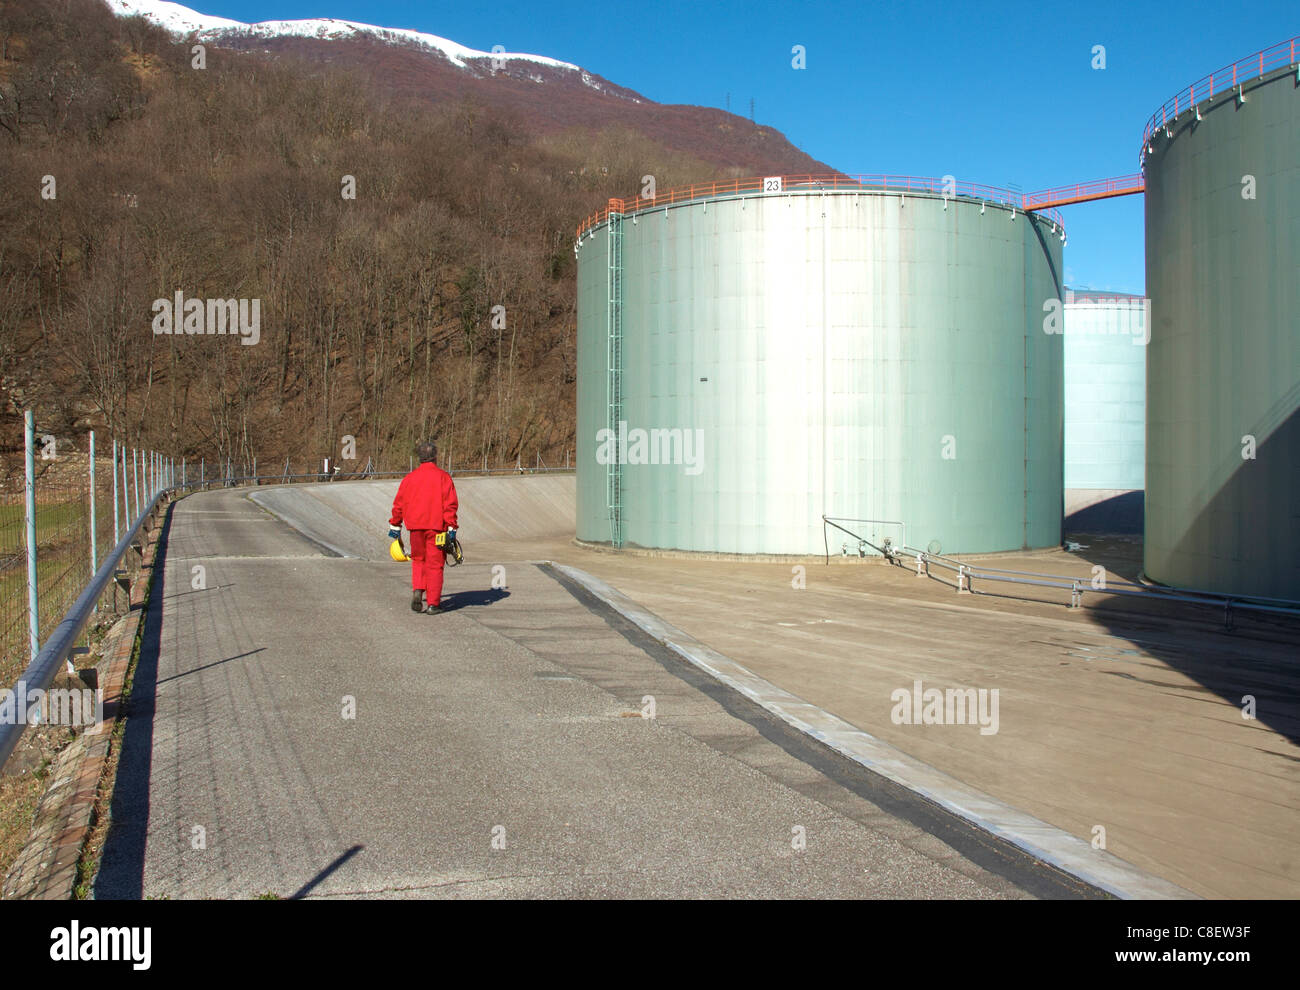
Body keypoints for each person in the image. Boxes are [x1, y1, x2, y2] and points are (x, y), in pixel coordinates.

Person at [388, 440, 458, 614]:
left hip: (415, 527)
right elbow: (450, 504)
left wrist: (395, 525)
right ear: (435, 456)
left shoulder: (409, 479)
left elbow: (399, 504)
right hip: (436, 528)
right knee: (435, 564)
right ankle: (433, 604)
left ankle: (418, 590)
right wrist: (451, 527)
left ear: (419, 457)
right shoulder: (443, 477)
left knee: (418, 560)